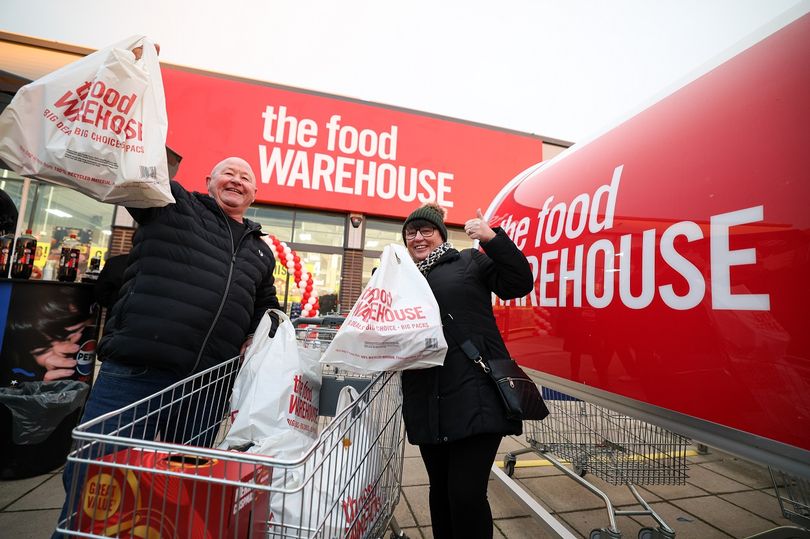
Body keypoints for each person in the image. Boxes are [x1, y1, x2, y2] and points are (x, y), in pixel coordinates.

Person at [54, 157, 281, 536]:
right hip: (138, 371)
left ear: (254, 194)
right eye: (228, 173)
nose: (237, 181)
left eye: (245, 178)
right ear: (208, 180)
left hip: (206, 387)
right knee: (97, 475)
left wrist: (259, 337)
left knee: (180, 485)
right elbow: (137, 169)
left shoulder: (260, 251)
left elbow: (265, 307)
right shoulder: (174, 204)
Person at [400, 203, 533, 539]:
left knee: (465, 494)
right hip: (425, 397)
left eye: (426, 230)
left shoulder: (469, 261)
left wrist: (492, 239)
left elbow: (519, 282)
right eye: (411, 232)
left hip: (474, 393)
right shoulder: (400, 276)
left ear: (441, 234)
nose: (418, 237)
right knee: (440, 490)